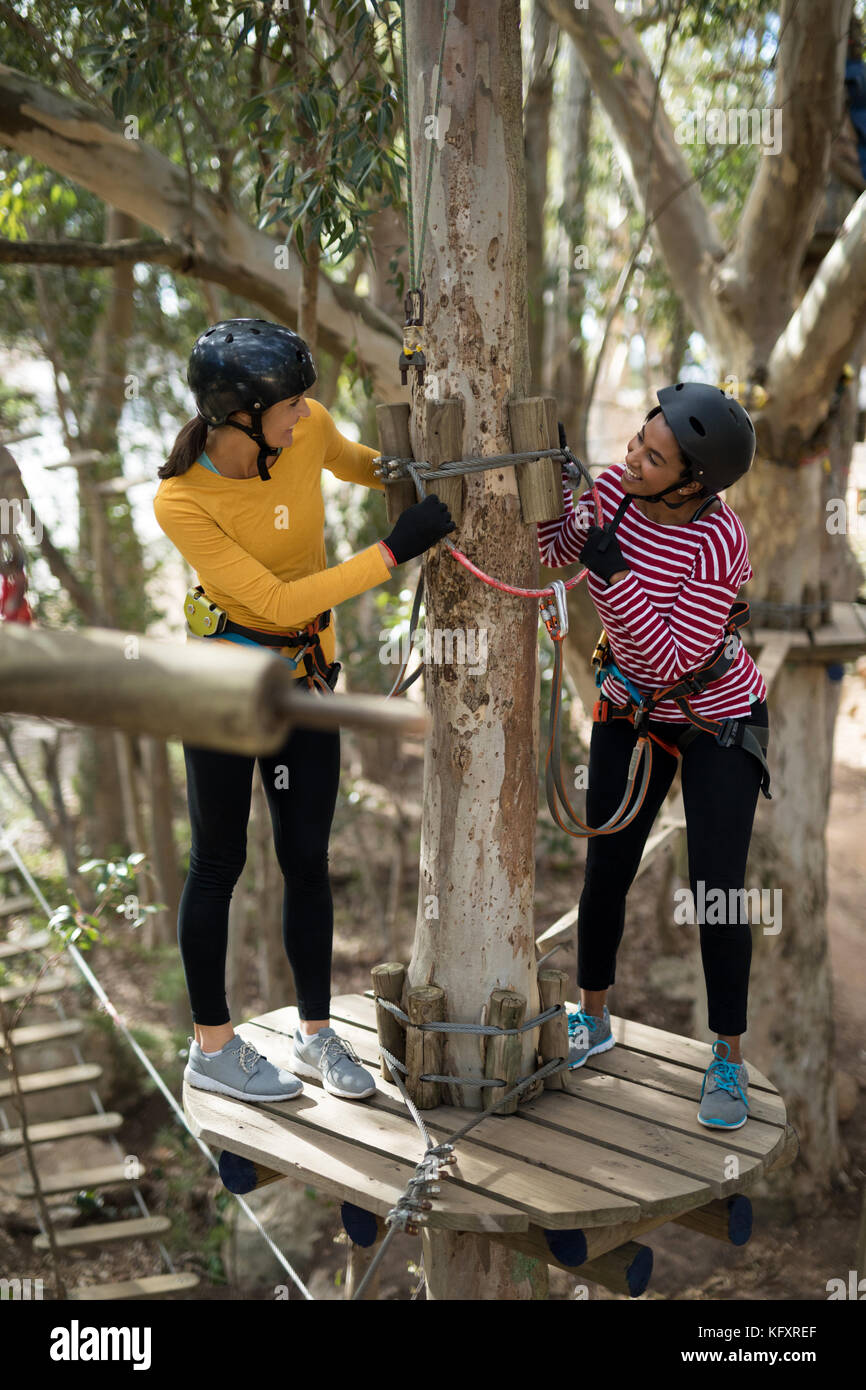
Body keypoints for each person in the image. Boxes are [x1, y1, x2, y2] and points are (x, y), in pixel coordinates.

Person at [153, 318, 455, 1106]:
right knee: (218, 862)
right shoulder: (181, 501)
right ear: (242, 415)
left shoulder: (305, 428)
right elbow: (276, 600)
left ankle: (317, 1036)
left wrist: (441, 461)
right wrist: (392, 552)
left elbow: (363, 463)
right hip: (222, 682)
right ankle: (212, 1048)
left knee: (306, 860)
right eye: (290, 407)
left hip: (306, 682)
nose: (305, 416)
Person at [537, 383, 769, 1130]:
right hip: (633, 703)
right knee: (607, 861)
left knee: (716, 886)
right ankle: (592, 1017)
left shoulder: (719, 540)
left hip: (714, 711)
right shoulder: (614, 489)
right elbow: (552, 550)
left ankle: (726, 1059)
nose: (632, 458)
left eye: (653, 456)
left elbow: (674, 658)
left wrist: (617, 575)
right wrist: (557, 496)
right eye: (638, 441)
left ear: (694, 481)